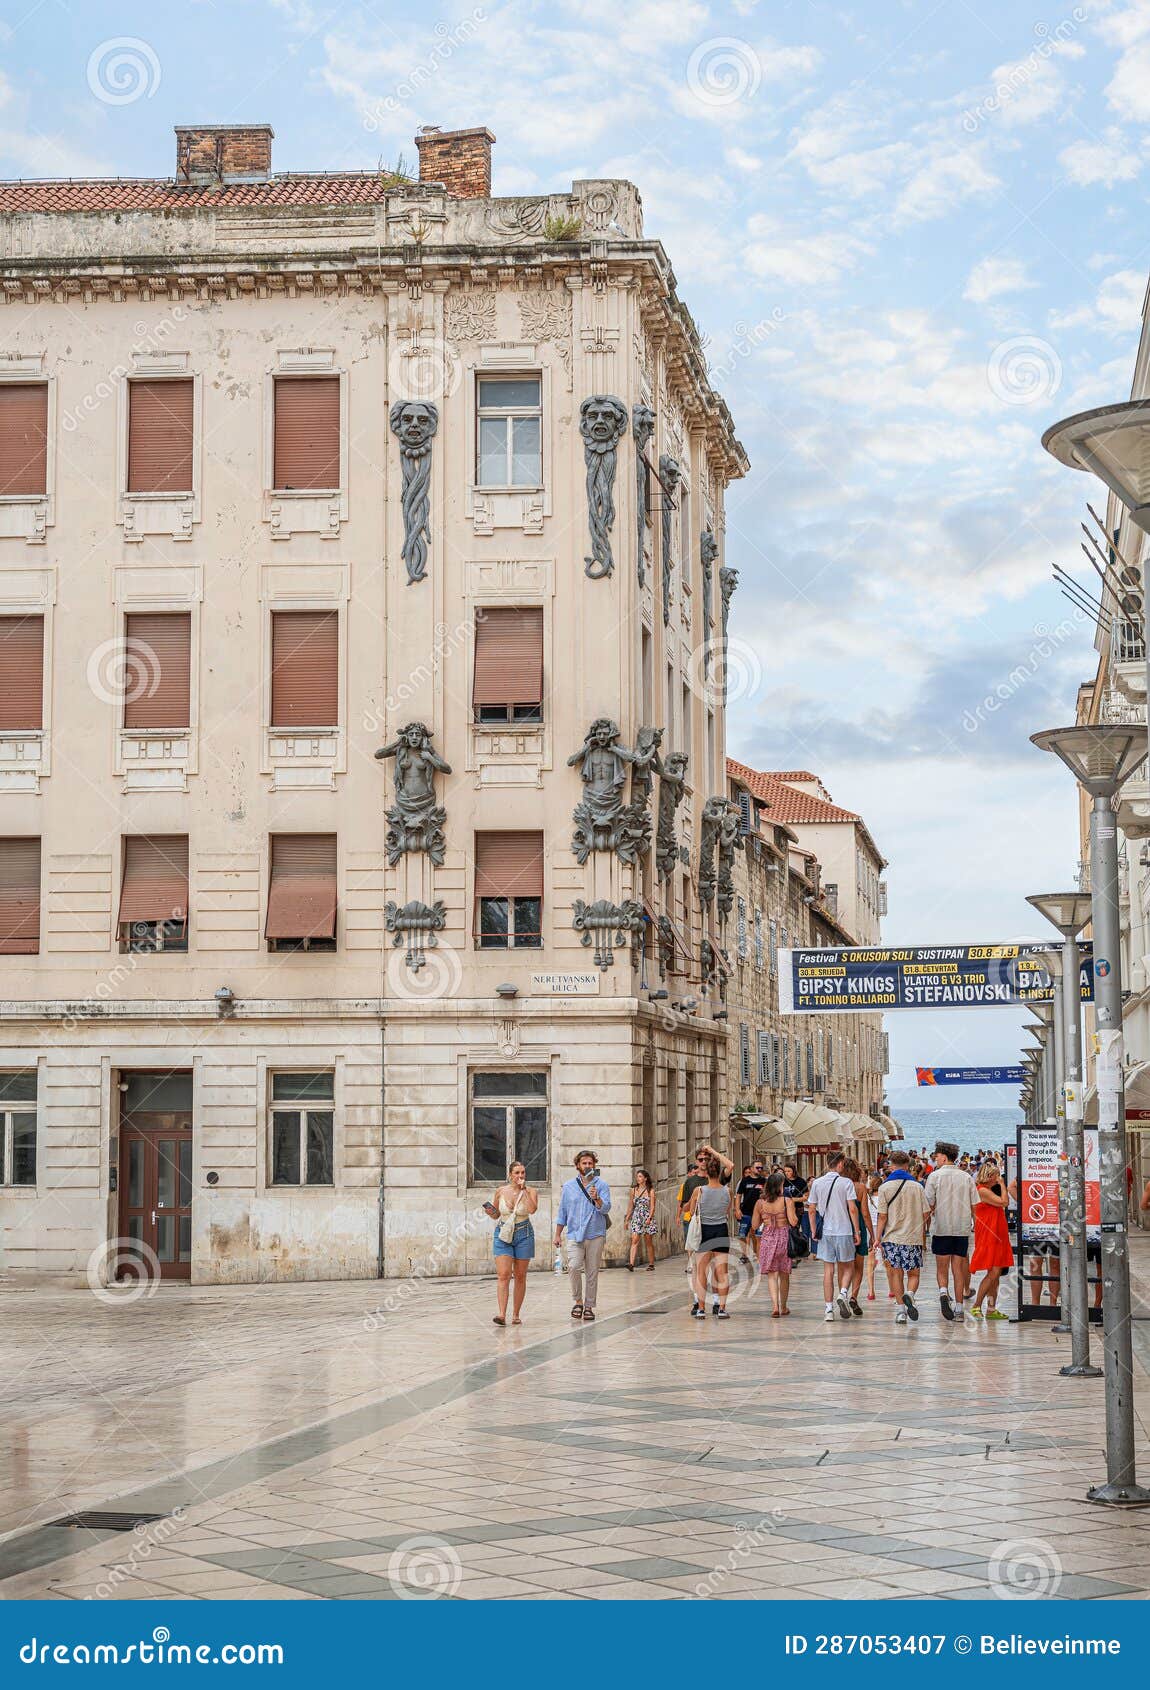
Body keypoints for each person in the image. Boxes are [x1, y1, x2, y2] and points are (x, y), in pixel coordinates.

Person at [873, 1148, 931, 1324]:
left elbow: (882, 1216)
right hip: (912, 1237)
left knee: (895, 1274)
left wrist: (877, 1238)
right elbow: (926, 1213)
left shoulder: (884, 1187)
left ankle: (900, 1312)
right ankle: (910, 1294)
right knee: (913, 1274)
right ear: (907, 1166)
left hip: (892, 1238)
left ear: (891, 1166)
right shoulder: (917, 1187)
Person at [554, 1150, 611, 1321]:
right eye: (584, 1163)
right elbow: (562, 1212)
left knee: (592, 1271)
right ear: (578, 1165)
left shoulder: (601, 1185)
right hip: (574, 1233)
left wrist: (597, 1198)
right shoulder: (569, 1186)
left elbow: (606, 1208)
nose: (587, 1166)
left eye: (590, 1163)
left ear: (594, 1165)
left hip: (595, 1234)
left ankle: (589, 1306)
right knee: (573, 1266)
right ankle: (577, 1300)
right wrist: (557, 1234)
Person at [924, 1141, 977, 1322]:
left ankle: (943, 1292)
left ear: (944, 1157)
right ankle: (960, 1310)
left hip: (942, 1228)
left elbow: (928, 1203)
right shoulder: (967, 1177)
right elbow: (974, 1205)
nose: (935, 1159)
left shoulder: (934, 1177)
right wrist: (975, 1225)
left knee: (941, 1268)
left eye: (936, 1156)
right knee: (958, 1270)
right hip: (962, 1229)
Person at [806, 1150, 860, 1321]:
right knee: (849, 1266)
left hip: (826, 1232)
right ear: (840, 1164)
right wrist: (857, 1231)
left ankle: (828, 1310)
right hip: (844, 1230)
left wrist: (814, 1230)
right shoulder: (846, 1183)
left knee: (828, 1270)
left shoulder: (817, 1183)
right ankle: (843, 1293)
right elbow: (852, 1208)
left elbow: (812, 1210)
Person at [680, 1143, 733, 1312]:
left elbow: (730, 1165)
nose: (703, 1161)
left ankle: (705, 1306)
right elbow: (727, 1211)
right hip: (719, 1228)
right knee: (716, 1270)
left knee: (706, 1270)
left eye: (706, 1158)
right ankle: (716, 1307)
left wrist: (712, 1151)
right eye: (700, 1159)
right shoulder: (726, 1190)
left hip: (704, 1229)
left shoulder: (699, 1189)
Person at [486, 1161, 539, 1326]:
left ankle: (515, 1314)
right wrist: (490, 1212)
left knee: (520, 1276)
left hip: (524, 1233)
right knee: (503, 1274)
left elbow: (532, 1210)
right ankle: (501, 1314)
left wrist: (524, 1191)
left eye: (523, 1173)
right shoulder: (500, 1191)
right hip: (503, 1233)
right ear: (510, 1175)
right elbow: (496, 1215)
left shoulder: (531, 1191)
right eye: (517, 1173)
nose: (520, 1176)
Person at [969, 1159, 1012, 1319]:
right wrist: (1002, 1185)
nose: (997, 1178)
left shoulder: (987, 1189)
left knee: (996, 1272)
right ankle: (976, 1305)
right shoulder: (982, 1191)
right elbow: (1004, 1202)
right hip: (989, 1234)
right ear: (988, 1176)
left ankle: (991, 1308)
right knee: (993, 1272)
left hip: (997, 1233)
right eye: (995, 1176)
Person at [752, 1170, 797, 1316]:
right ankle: (784, 1307)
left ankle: (775, 1306)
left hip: (768, 1238)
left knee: (772, 1274)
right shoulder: (786, 1201)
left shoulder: (760, 1203)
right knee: (784, 1274)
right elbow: (793, 1221)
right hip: (783, 1237)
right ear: (779, 1186)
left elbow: (754, 1225)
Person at [735, 1159, 768, 1263]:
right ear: (752, 1168)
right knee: (742, 1235)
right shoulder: (744, 1181)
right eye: (757, 1167)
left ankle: (758, 1257)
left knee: (758, 1236)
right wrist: (737, 1209)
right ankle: (744, 1255)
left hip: (760, 1214)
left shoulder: (764, 1181)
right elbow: (739, 1195)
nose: (759, 1169)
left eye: (761, 1168)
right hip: (746, 1212)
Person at [625, 1168, 657, 1271]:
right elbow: (630, 1206)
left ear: (645, 1178)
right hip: (636, 1217)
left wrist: (650, 1218)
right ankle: (631, 1264)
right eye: (637, 1176)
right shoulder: (633, 1190)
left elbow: (652, 1206)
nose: (638, 1178)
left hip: (647, 1217)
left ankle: (651, 1264)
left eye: (640, 1176)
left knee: (648, 1241)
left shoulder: (650, 1191)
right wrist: (627, 1219)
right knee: (634, 1240)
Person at [865, 1171, 886, 1302]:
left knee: (870, 1260)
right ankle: (891, 1290)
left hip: (870, 1229)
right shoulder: (885, 1198)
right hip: (883, 1229)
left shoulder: (867, 1198)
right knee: (887, 1259)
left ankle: (871, 1291)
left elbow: (865, 1215)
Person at [781, 1162, 810, 1247]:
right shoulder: (783, 1181)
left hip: (798, 1209)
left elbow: (806, 1197)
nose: (787, 1173)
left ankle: (795, 1250)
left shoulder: (801, 1181)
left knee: (795, 1229)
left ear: (793, 1171)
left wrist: (792, 1200)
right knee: (785, 1229)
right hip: (784, 1208)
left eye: (789, 1171)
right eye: (785, 1171)